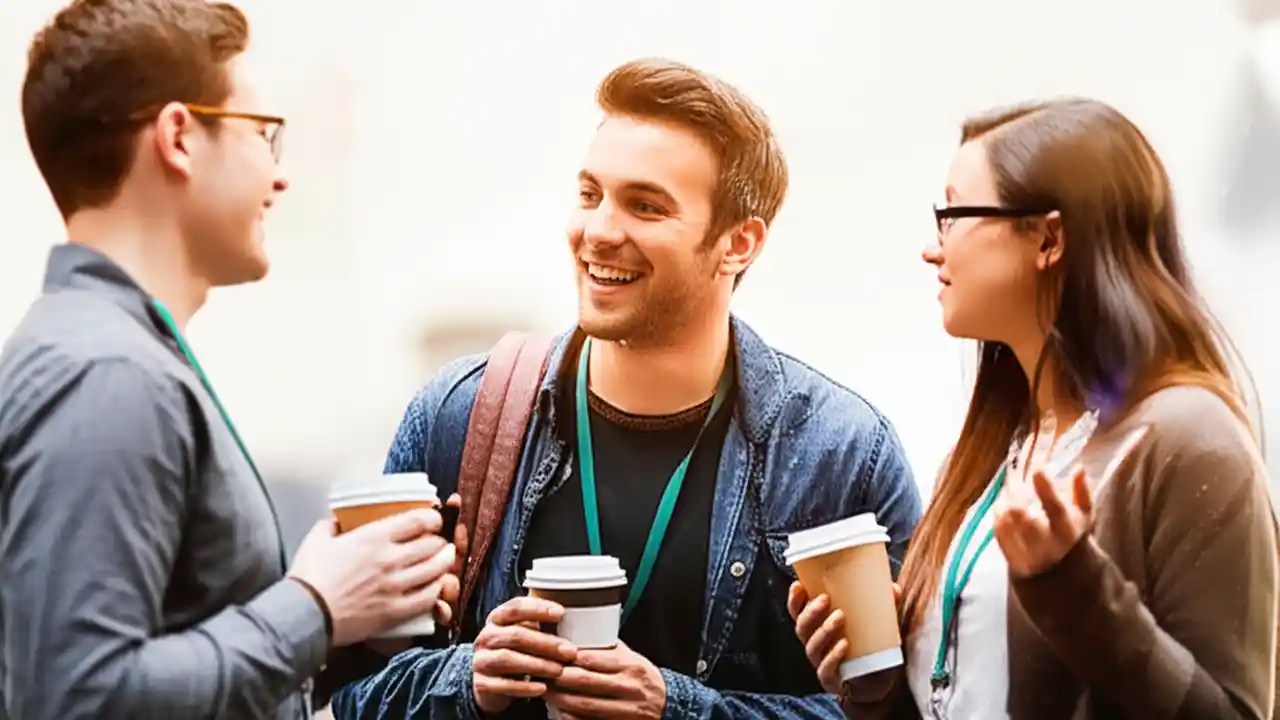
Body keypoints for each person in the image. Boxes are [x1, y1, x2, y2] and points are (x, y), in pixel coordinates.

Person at [330, 57, 922, 718]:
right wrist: (468, 681)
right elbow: (348, 693)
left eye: (645, 205)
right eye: (590, 195)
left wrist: (681, 710)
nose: (600, 231)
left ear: (738, 243)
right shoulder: (458, 416)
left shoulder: (839, 451)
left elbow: (908, 710)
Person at [0, 2, 457, 718]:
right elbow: (79, 694)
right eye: (264, 136)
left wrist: (351, 603)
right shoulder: (107, 375)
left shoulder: (109, 353)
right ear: (180, 137)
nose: (281, 179)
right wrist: (315, 605)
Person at [791, 97, 1279, 719]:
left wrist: (1073, 588)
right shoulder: (997, 450)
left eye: (952, 214)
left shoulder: (1187, 436)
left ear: (1048, 238)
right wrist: (876, 686)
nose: (932, 249)